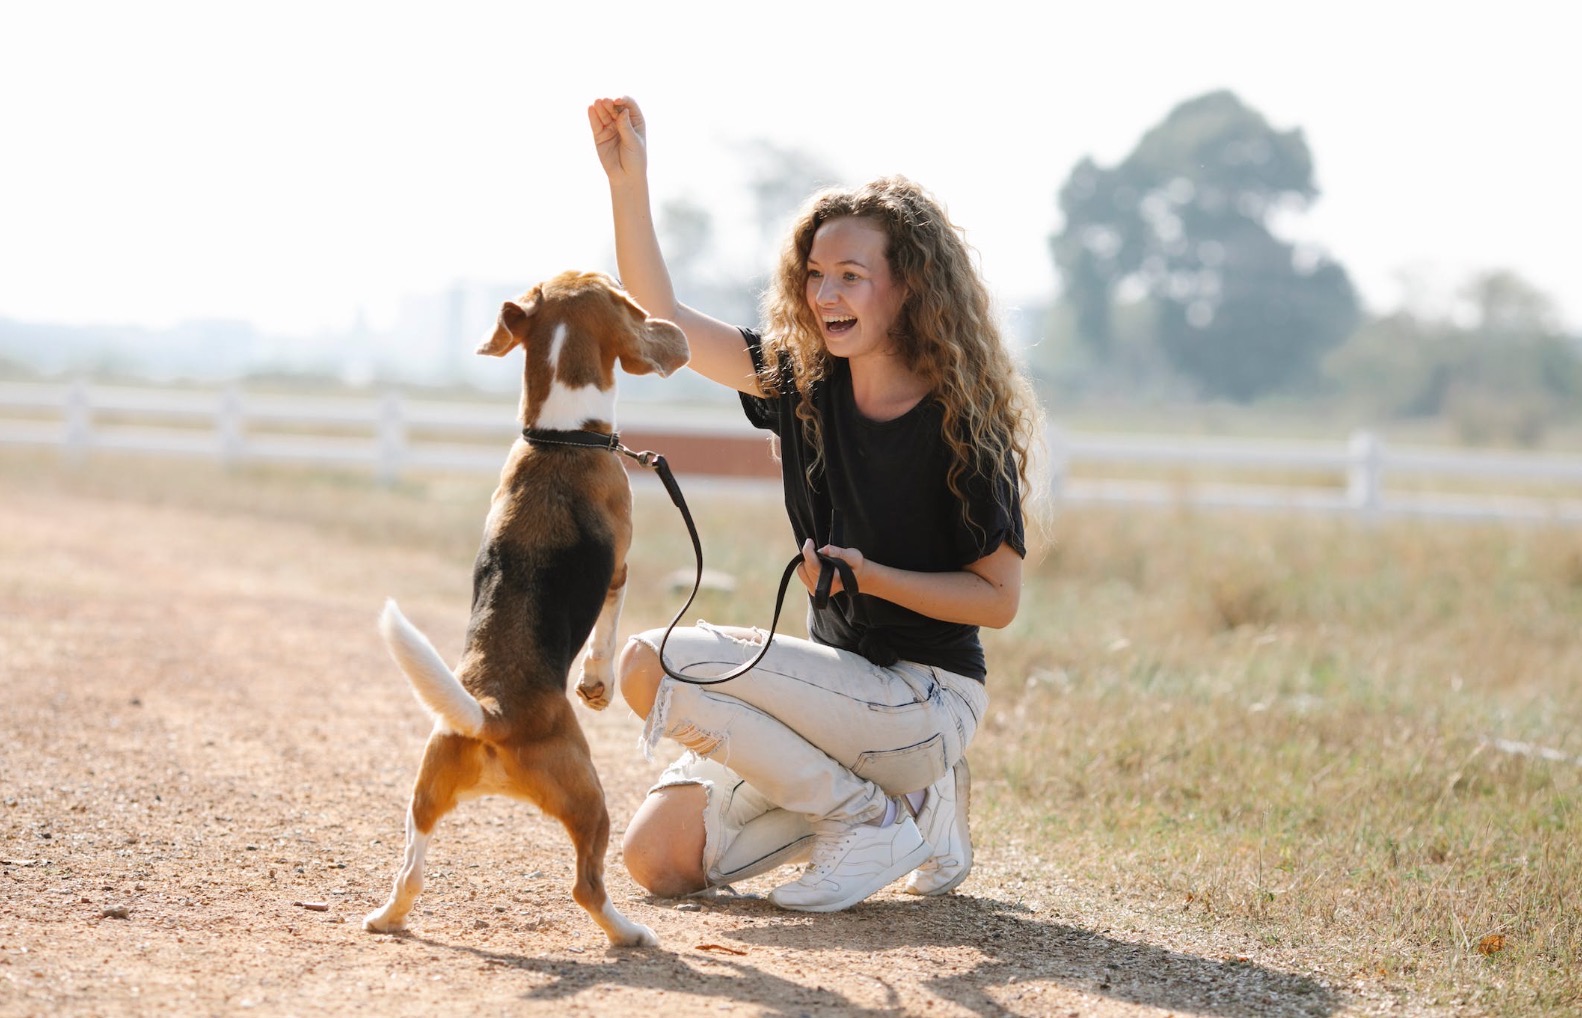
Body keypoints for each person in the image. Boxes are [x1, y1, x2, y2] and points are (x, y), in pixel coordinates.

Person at [586, 95, 1044, 913]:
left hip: (924, 699)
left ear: (908, 290)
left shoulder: (963, 424)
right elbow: (665, 320)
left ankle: (870, 814)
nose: (826, 293)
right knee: (658, 861)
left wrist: (872, 576)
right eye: (816, 275)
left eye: (852, 276)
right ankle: (909, 811)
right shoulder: (801, 383)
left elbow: (999, 601)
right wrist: (629, 182)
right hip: (835, 699)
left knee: (649, 662)